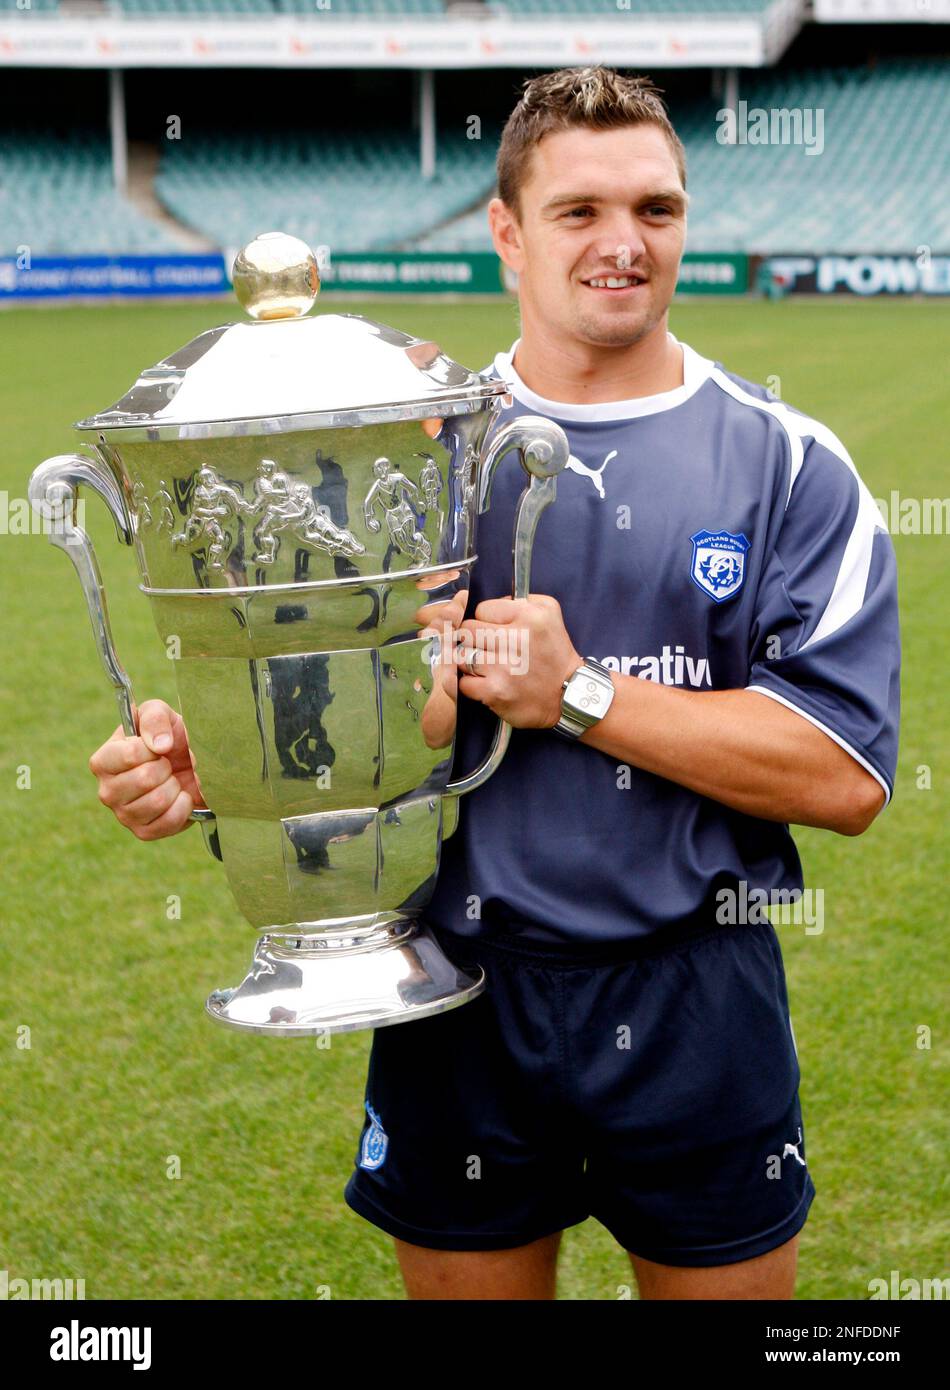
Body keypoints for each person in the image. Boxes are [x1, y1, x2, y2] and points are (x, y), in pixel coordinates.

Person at [88, 67, 900, 1301]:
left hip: (695, 996)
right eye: (578, 211)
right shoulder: (400, 452)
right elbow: (362, 714)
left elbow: (841, 778)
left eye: (656, 209)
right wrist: (222, 767)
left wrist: (578, 694)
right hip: (458, 994)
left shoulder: (789, 463)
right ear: (507, 233)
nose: (623, 244)